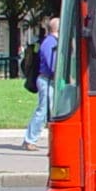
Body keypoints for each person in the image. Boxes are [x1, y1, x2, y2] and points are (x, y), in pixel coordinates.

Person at [22, 17, 58, 151]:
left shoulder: (50, 41)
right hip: (47, 80)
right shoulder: (50, 43)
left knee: (49, 111)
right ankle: (29, 140)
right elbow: (52, 65)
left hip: (48, 80)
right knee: (43, 111)